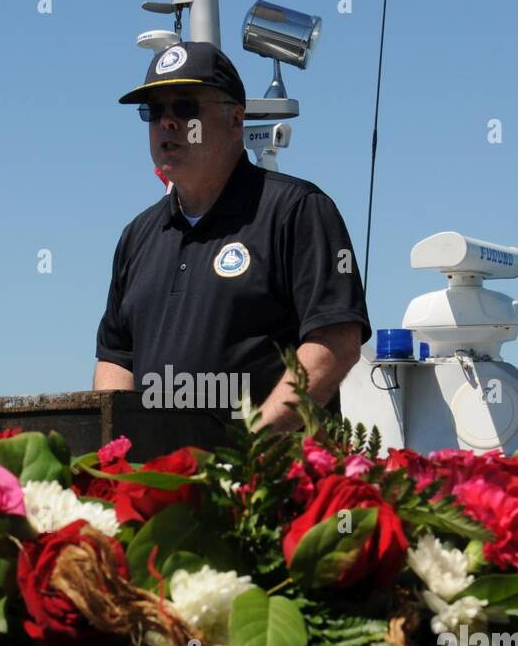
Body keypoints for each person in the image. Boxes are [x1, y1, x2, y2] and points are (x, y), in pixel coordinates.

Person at [93, 41, 370, 431]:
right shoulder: (137, 236)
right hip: (165, 481)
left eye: (186, 107)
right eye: (154, 111)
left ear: (236, 120)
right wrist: (120, 454)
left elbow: (336, 342)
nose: (167, 122)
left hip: (269, 480)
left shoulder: (297, 210)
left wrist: (252, 444)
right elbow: (117, 359)